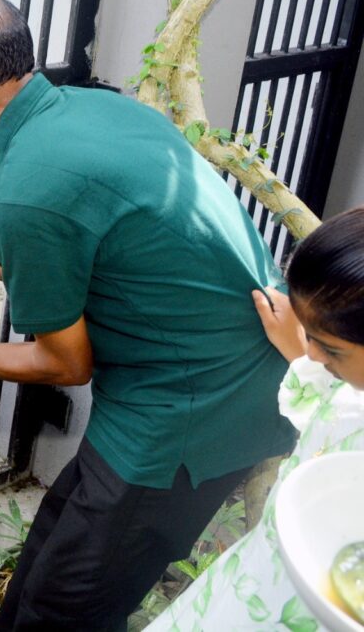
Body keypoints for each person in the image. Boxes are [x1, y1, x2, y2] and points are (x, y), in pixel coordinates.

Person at [0, 0, 296, 631]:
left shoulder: (30, 187)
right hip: (197, 373)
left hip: (190, 414)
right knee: (54, 536)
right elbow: (49, 248)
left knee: (73, 600)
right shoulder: (92, 114)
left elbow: (64, 362)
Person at [146, 206, 364, 630]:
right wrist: (301, 348)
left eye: (331, 348)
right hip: (249, 588)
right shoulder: (347, 388)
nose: (316, 357)